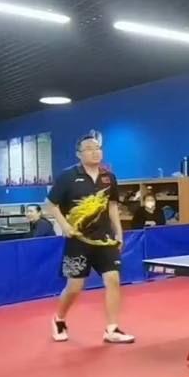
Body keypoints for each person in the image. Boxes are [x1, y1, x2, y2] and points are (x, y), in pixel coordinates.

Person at [44, 135, 134, 344]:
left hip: (104, 238)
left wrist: (119, 232)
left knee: (113, 279)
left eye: (98, 148)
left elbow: (112, 206)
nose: (95, 151)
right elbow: (50, 205)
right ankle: (59, 319)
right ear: (79, 154)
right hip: (78, 239)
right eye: (89, 148)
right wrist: (65, 226)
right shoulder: (67, 176)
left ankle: (112, 329)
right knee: (75, 285)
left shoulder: (108, 177)